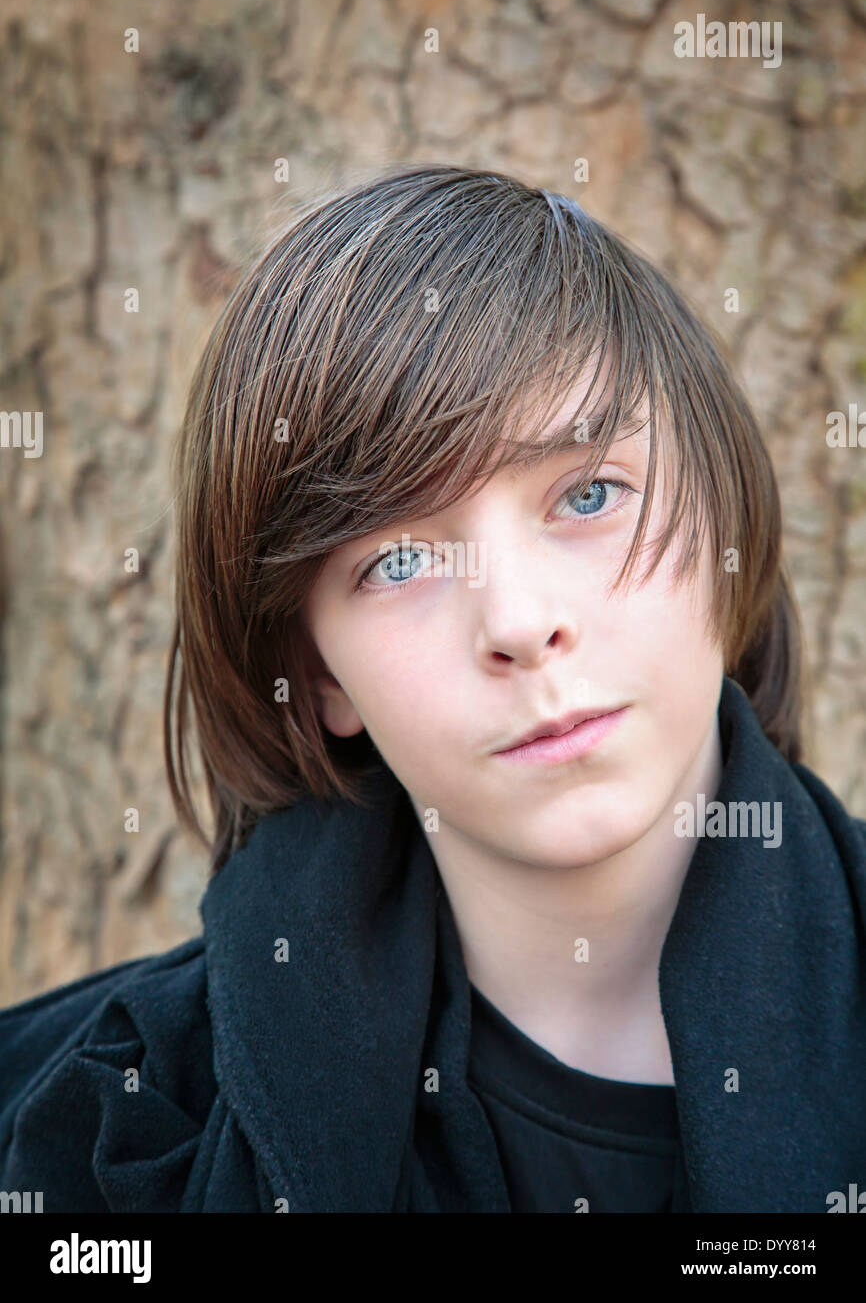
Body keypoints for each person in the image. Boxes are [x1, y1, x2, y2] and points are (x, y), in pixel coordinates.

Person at [2, 164, 865, 1213]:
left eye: (587, 493)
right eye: (396, 562)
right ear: (320, 677)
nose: (515, 621)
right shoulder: (89, 1133)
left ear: (724, 523)